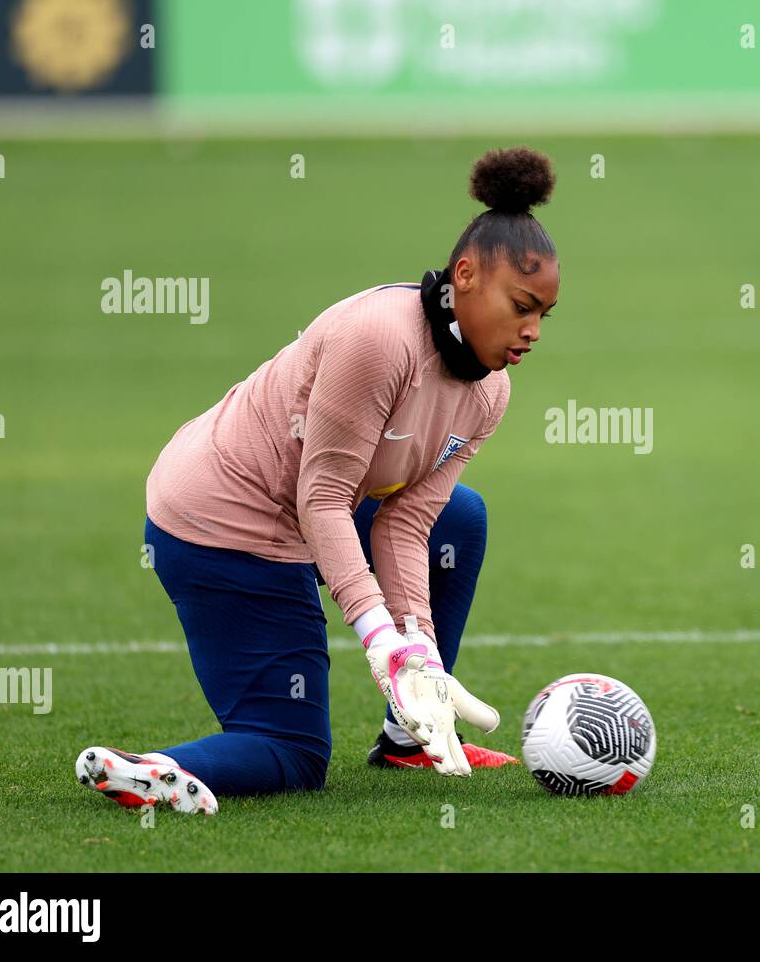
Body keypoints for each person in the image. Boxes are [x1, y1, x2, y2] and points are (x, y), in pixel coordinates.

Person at [75, 146, 561, 814]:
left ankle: (408, 736)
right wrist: (379, 639)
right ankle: (152, 768)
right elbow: (323, 498)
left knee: (459, 518)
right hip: (224, 520)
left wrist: (416, 646)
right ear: (467, 275)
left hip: (309, 509)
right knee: (293, 751)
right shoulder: (378, 341)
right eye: (522, 306)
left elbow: (408, 519)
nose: (532, 331)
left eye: (545, 315)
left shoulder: (490, 391)